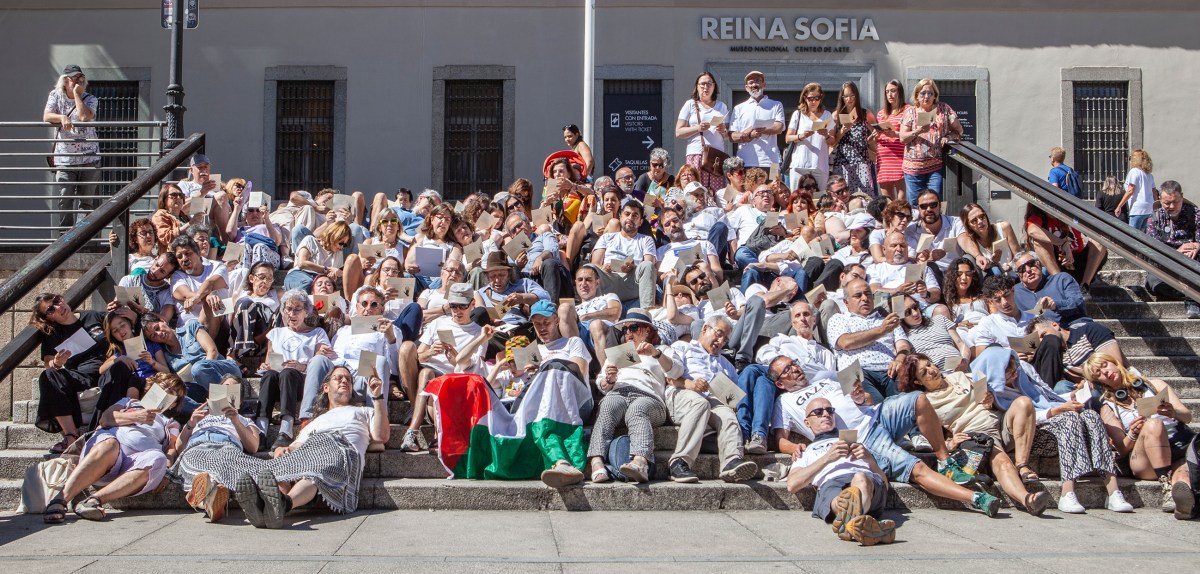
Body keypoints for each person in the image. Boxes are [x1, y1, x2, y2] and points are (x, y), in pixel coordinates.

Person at [768, 355, 1001, 517]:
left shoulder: (826, 379)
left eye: (794, 364)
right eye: (786, 370)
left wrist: (861, 396)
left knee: (918, 398)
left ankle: (944, 461)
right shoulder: (784, 402)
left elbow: (867, 401)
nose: (795, 369)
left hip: (878, 414)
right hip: (863, 438)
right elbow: (780, 438)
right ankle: (975, 498)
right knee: (917, 469)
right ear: (779, 382)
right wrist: (793, 448)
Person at [972, 346, 1132, 514]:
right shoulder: (987, 391)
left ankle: (1114, 491)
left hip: (1052, 420)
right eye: (1010, 373)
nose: (1015, 375)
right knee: (1069, 418)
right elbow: (1025, 415)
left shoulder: (1023, 372)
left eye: (1015, 370)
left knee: (1091, 415)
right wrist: (1055, 411)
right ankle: (1067, 492)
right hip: (1028, 433)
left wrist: (1072, 396)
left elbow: (1045, 396)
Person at [895, 353, 1051, 515]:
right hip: (978, 434)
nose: (931, 370)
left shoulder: (960, 376)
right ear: (917, 381)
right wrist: (950, 443)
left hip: (1000, 421)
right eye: (923, 372)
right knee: (1002, 461)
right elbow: (925, 438)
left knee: (1023, 403)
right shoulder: (926, 401)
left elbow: (984, 390)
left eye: (929, 364)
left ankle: (1023, 466)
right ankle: (1028, 499)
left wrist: (989, 398)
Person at [237, 365, 389, 528]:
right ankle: (268, 507)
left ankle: (283, 505)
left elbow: (381, 436)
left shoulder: (364, 411)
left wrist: (377, 396)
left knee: (316, 469)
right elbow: (297, 446)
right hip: (312, 449)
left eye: (348, 379)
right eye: (338, 378)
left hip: (341, 449)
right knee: (278, 467)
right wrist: (284, 450)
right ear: (326, 387)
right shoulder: (314, 422)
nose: (344, 380)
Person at [43, 373, 185, 524]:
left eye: (172, 393)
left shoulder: (170, 422)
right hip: (109, 449)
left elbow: (171, 449)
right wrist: (137, 416)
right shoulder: (129, 402)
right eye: (164, 386)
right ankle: (61, 498)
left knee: (159, 458)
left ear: (173, 404)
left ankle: (94, 500)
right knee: (110, 443)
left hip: (137, 462)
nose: (167, 391)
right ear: (153, 386)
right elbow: (105, 420)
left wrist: (168, 471)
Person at [1084, 353, 1195, 518]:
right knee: (1153, 424)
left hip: (1177, 446)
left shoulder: (1154, 385)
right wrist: (1133, 433)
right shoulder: (1108, 405)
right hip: (1144, 460)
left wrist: (1174, 412)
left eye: (1105, 365)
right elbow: (1121, 448)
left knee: (1182, 475)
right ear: (1100, 382)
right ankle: (1166, 488)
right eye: (1098, 373)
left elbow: (1187, 416)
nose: (1105, 373)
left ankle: (1184, 505)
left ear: (1115, 362)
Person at [588, 309, 682, 483]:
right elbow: (602, 384)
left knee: (637, 409)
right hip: (619, 391)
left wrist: (656, 354)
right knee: (607, 406)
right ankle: (596, 461)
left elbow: (677, 371)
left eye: (633, 328)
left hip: (649, 396)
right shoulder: (618, 352)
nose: (628, 333)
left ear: (648, 330)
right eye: (625, 330)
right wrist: (609, 380)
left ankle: (640, 461)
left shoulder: (662, 350)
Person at [787, 398, 897, 546]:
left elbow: (885, 483)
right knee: (841, 499)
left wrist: (869, 459)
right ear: (807, 422)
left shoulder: (857, 442)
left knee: (860, 479)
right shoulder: (806, 451)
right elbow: (792, 485)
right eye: (818, 412)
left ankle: (850, 523)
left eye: (829, 410)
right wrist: (827, 458)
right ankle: (864, 526)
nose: (826, 414)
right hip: (830, 483)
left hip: (866, 480)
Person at [667, 315, 759, 483]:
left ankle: (731, 462)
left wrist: (733, 403)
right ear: (704, 329)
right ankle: (679, 462)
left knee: (729, 416)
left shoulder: (727, 365)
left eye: (725, 339)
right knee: (700, 403)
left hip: (714, 401)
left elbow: (734, 396)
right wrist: (691, 384)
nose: (721, 341)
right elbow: (670, 378)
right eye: (718, 334)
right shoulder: (683, 347)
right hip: (682, 393)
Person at [400, 283, 488, 451]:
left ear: (472, 305)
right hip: (428, 373)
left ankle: (414, 429)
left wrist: (457, 360)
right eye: (453, 305)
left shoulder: (479, 333)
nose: (457, 310)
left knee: (428, 376)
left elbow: (476, 368)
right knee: (422, 367)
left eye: (462, 305)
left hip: (453, 378)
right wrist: (431, 352)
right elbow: (418, 356)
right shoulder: (438, 323)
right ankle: (416, 427)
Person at [171, 374, 262, 523]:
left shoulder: (245, 420)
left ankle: (203, 498)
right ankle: (211, 500)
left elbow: (253, 447)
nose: (227, 392)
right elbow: (179, 447)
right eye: (224, 388)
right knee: (191, 459)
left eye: (233, 390)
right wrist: (191, 422)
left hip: (224, 446)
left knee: (221, 460)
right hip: (197, 447)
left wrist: (236, 421)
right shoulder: (201, 415)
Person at [31, 293, 108, 453]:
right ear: (49, 318)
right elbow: (48, 363)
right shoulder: (54, 333)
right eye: (51, 309)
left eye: (57, 301)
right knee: (48, 375)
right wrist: (57, 363)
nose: (59, 307)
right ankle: (71, 435)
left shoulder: (93, 316)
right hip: (81, 375)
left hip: (107, 368)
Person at [257, 290, 330, 450]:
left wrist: (300, 366)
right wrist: (265, 366)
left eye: (297, 309)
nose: (292, 313)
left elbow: (321, 360)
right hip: (278, 382)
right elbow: (270, 360)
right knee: (269, 375)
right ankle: (261, 429)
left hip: (301, 383)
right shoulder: (275, 333)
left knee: (288, 372)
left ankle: (286, 429)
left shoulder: (317, 333)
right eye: (288, 309)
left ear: (306, 312)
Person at [826, 279, 911, 404]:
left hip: (890, 370)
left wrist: (899, 359)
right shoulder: (838, 319)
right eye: (858, 295)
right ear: (846, 302)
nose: (865, 298)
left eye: (868, 294)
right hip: (853, 372)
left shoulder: (885, 319)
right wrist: (881, 330)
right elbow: (846, 343)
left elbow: (903, 344)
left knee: (906, 406)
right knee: (876, 410)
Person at [44, 64, 99, 233]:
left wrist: (76, 94)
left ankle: (81, 236)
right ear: (65, 80)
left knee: (86, 201)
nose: (79, 80)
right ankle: (65, 238)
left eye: (81, 78)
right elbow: (46, 116)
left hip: (89, 157)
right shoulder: (56, 95)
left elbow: (84, 117)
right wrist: (61, 117)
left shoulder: (90, 99)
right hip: (65, 158)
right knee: (64, 199)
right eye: (75, 78)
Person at [897, 79, 963, 204]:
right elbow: (902, 138)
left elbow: (959, 131)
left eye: (930, 93)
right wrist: (918, 131)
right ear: (917, 95)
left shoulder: (944, 110)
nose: (926, 97)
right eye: (922, 93)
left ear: (935, 96)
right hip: (913, 169)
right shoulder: (911, 112)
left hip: (934, 167)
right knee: (915, 205)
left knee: (934, 202)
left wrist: (948, 138)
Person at [1144, 180, 1200, 318]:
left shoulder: (1195, 214)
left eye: (1176, 202)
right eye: (1167, 203)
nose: (1172, 206)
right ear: (1160, 199)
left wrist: (1197, 245)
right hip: (1167, 268)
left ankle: (1192, 299)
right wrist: (1177, 253)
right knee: (1153, 283)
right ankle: (1192, 296)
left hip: (1193, 264)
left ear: (1182, 197)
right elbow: (1152, 252)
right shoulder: (1155, 219)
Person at [590, 199, 658, 309]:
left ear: (640, 222)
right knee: (589, 268)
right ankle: (589, 309)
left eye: (635, 215)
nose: (630, 218)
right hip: (609, 279)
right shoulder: (607, 237)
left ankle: (647, 312)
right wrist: (603, 269)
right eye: (627, 214)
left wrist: (633, 267)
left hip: (632, 283)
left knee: (647, 266)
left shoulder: (646, 240)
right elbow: (595, 263)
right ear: (620, 217)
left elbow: (649, 264)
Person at [676, 71, 730, 191]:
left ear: (714, 86)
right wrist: (697, 128)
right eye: (703, 84)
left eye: (709, 84)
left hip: (716, 157)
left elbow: (726, 136)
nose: (706, 87)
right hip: (696, 153)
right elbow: (678, 132)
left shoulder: (722, 106)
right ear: (697, 86)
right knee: (695, 190)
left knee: (716, 191)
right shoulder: (690, 104)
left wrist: (723, 130)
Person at [170, 235, 231, 336]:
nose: (184, 259)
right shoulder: (176, 277)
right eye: (179, 256)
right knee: (208, 301)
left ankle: (208, 349)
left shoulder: (217, 266)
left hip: (221, 324)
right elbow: (186, 295)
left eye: (188, 254)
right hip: (190, 330)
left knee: (211, 304)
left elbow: (211, 283)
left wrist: (198, 298)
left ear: (198, 252)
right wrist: (208, 296)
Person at [1010, 251, 1090, 327]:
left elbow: (1077, 303)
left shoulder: (1061, 279)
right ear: (1018, 275)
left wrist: (1055, 305)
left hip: (1072, 326)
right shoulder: (1014, 293)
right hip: (1042, 336)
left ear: (1039, 264)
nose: (1028, 270)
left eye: (1031, 264)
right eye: (1022, 269)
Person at [728, 70, 785, 169]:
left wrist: (760, 130)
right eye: (751, 83)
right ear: (746, 88)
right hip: (745, 162)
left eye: (758, 81)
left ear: (764, 85)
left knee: (774, 185)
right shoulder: (738, 108)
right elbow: (732, 136)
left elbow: (779, 127)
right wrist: (749, 135)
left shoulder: (776, 104)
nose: (754, 85)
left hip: (772, 163)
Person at [830, 81, 877, 196]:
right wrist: (842, 131)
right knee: (844, 196)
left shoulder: (865, 114)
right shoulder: (836, 115)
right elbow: (832, 143)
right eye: (846, 96)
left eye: (852, 96)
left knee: (864, 197)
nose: (849, 99)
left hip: (862, 162)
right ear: (842, 98)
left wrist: (871, 139)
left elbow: (876, 132)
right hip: (843, 163)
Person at [784, 82, 834, 192]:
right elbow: (787, 138)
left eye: (817, 98)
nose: (814, 101)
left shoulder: (827, 115)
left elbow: (832, 142)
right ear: (805, 98)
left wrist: (826, 135)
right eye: (810, 98)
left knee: (819, 199)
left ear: (821, 98)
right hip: (800, 164)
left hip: (819, 165)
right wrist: (802, 136)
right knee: (797, 197)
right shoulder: (798, 114)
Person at [285, 220, 350, 293]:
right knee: (308, 284)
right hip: (299, 274)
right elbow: (302, 263)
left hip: (319, 281)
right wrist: (327, 269)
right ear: (332, 236)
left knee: (325, 289)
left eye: (344, 245)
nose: (341, 247)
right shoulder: (311, 240)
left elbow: (331, 274)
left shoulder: (338, 253)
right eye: (341, 243)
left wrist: (332, 276)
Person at [958, 202, 1020, 275]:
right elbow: (961, 238)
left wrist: (1008, 266)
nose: (980, 221)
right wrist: (993, 263)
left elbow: (1018, 255)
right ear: (968, 226)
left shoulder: (1004, 228)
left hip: (1013, 273)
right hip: (993, 279)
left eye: (982, 216)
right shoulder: (971, 241)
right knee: (995, 271)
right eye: (974, 221)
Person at [875, 80, 909, 199]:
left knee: (901, 201)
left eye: (893, 91)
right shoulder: (881, 114)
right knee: (887, 202)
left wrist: (895, 134)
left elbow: (910, 134)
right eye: (887, 92)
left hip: (900, 158)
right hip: (884, 161)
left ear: (900, 92)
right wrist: (876, 134)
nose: (890, 94)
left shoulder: (908, 110)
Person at [1117, 148, 1156, 232]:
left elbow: (1130, 190)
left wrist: (1119, 206)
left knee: (1133, 234)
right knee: (1143, 234)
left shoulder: (1134, 171)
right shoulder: (1149, 175)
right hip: (1149, 207)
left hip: (1137, 207)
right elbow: (1154, 192)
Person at [151, 183, 190, 253]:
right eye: (173, 195)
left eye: (181, 195)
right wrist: (189, 224)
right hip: (171, 257)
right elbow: (166, 238)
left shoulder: (185, 217)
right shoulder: (160, 215)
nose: (178, 197)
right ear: (164, 198)